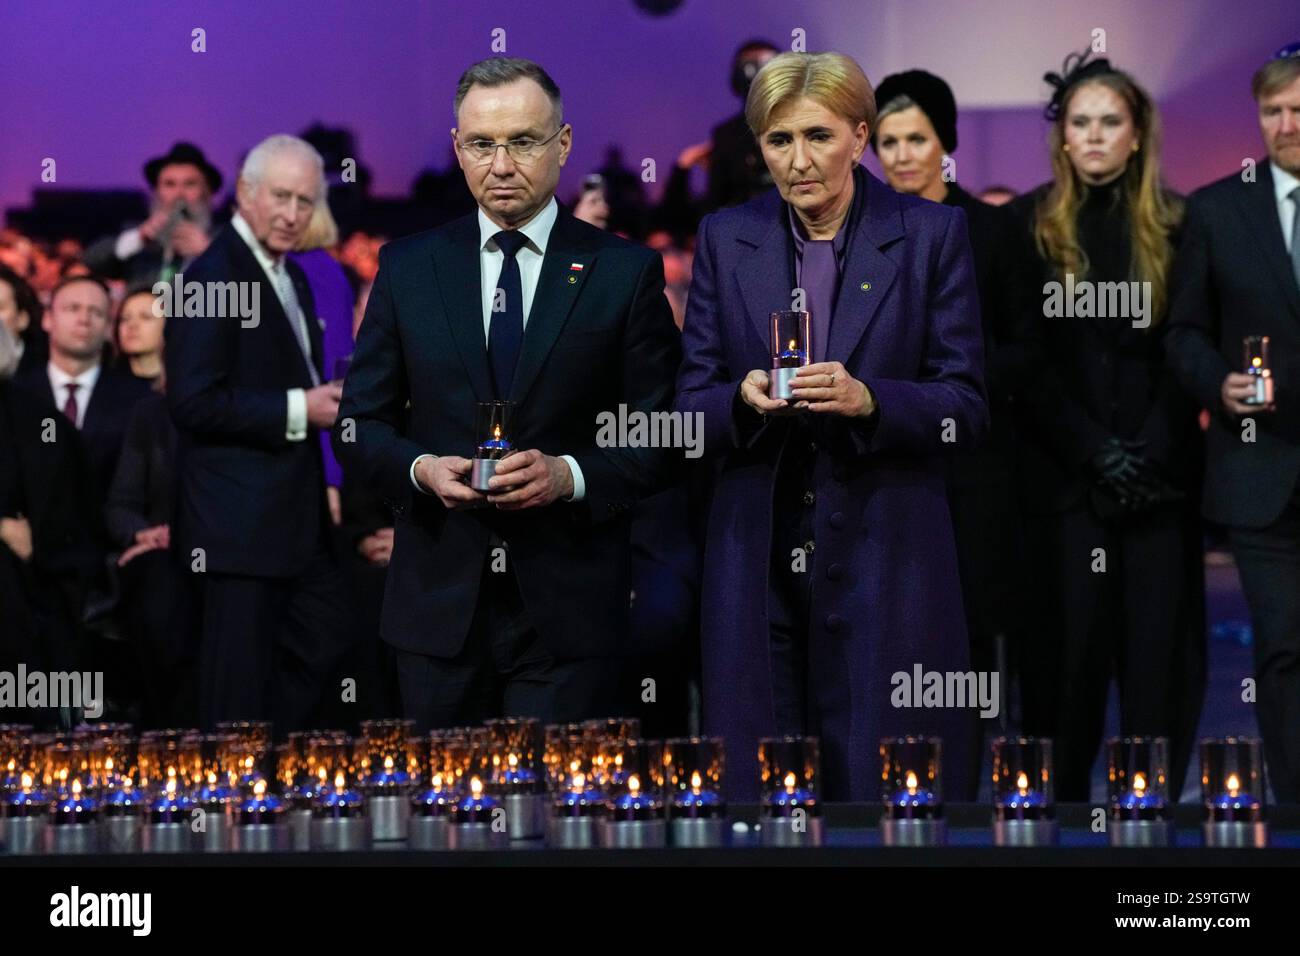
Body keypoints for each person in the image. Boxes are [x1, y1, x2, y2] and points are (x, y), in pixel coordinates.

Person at [675, 51, 988, 801]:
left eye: (818, 136)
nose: (800, 160)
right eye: (779, 141)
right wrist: (740, 400)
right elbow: (688, 407)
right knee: (767, 790)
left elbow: (966, 405)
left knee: (887, 792)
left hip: (888, 550)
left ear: (860, 134)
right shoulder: (726, 236)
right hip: (756, 554)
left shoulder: (931, 233)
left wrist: (871, 401)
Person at [334, 56, 680, 731]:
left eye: (522, 141)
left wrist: (569, 475)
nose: (501, 164)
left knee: (562, 829)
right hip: (437, 611)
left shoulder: (623, 272)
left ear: (564, 144)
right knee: (441, 829)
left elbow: (662, 436)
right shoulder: (408, 267)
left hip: (569, 611)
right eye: (481, 144)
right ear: (458, 148)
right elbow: (359, 426)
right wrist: (420, 469)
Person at [1006, 50, 1203, 800]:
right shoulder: (1025, 227)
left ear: (1136, 134)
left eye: (1108, 122)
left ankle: (1150, 831)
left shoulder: (1184, 225)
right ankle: (1062, 831)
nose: (1092, 137)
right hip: (1063, 489)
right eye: (1079, 123)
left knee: (1157, 672)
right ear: (1062, 138)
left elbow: (1187, 344)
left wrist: (1147, 451)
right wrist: (1094, 450)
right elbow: (1028, 363)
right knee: (1067, 675)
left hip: (1160, 484)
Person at [871, 70, 1030, 787]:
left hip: (975, 471)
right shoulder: (865, 231)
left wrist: (944, 385)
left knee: (972, 640)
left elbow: (1030, 345)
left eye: (917, 139)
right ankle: (900, 789)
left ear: (947, 144)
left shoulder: (991, 230)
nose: (903, 155)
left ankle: (975, 795)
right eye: (890, 141)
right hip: (884, 464)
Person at [165, 134, 351, 732]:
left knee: (319, 650)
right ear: (245, 193)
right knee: (236, 694)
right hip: (236, 524)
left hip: (292, 521)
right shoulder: (212, 275)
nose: (293, 214)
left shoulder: (289, 276)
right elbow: (192, 401)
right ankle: (228, 812)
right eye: (281, 197)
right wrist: (301, 408)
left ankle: (275, 791)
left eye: (305, 200)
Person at [1166, 44, 1300, 802]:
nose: (1284, 126)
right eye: (1272, 112)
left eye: (1298, 111)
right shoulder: (1218, 209)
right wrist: (1219, 381)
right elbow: (1181, 332)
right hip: (1260, 472)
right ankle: (1294, 813)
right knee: (1283, 646)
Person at [84, 142, 223, 286]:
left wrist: (208, 252)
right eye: (170, 184)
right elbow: (93, 260)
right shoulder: (140, 238)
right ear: (156, 192)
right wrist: (139, 238)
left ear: (207, 192)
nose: (179, 194)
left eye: (190, 184)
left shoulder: (225, 237)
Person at [113, 287, 166, 385]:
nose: (132, 325)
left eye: (146, 317)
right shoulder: (103, 385)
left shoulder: (187, 386)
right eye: (125, 318)